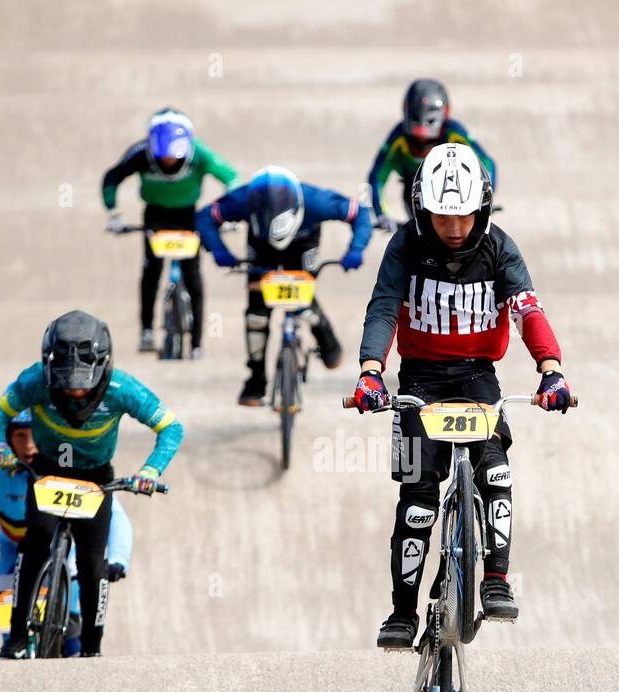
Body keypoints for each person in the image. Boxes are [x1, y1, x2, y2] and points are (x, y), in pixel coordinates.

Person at [351, 143, 571, 650]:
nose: (453, 228)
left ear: (483, 209)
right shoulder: (405, 246)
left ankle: (496, 579)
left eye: (464, 216)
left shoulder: (501, 248)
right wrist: (370, 371)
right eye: (442, 216)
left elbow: (527, 309)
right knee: (417, 502)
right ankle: (402, 612)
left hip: (478, 377)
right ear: (422, 209)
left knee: (495, 470)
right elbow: (384, 306)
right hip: (418, 380)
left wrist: (551, 370)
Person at [0, 310, 183, 658]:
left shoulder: (124, 389)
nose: (75, 391)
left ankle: (92, 649)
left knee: (93, 565)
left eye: (84, 383)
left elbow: (171, 428)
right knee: (34, 546)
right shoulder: (34, 381)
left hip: (95, 477)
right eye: (65, 382)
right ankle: (15, 639)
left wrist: (151, 470)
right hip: (48, 471)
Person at [0, 410, 134, 657]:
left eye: (35, 435)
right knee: (13, 650)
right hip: (13, 557)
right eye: (20, 436)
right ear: (7, 439)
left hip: (63, 556)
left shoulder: (68, 468)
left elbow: (114, 515)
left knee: (74, 646)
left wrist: (117, 560)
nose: (29, 446)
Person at [197, 165, 373, 406]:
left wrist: (355, 250)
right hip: (261, 245)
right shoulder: (242, 200)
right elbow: (205, 217)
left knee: (300, 291)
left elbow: (359, 213)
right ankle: (256, 378)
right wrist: (217, 250)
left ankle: (324, 335)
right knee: (257, 312)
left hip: (303, 242)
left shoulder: (315, 201)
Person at [101, 107, 237, 356]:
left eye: (174, 157)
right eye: (164, 157)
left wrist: (228, 214)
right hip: (155, 216)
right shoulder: (139, 154)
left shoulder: (200, 155)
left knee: (193, 275)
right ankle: (147, 330)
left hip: (188, 216)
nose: (169, 162)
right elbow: (112, 178)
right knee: (151, 270)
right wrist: (114, 214)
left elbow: (232, 179)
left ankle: (196, 343)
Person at [367, 79, 496, 227]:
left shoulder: (454, 133)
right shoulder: (398, 138)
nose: (422, 142)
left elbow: (486, 164)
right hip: (414, 195)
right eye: (417, 140)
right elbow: (377, 177)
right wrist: (381, 215)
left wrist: (484, 200)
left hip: (455, 193)